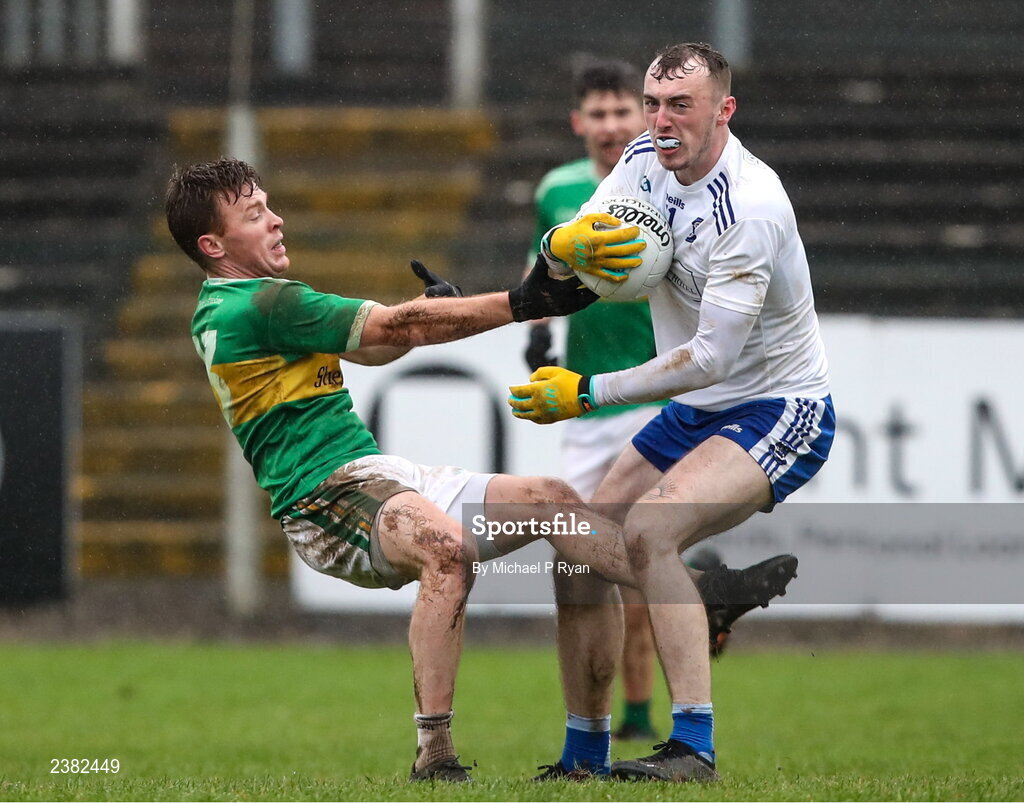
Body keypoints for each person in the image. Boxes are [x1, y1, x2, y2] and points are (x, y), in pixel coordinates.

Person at [164, 157, 781, 783]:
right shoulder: (262, 303)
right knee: (448, 552)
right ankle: (434, 755)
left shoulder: (232, 304)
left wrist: (430, 313)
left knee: (552, 499)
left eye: (268, 206)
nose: (276, 220)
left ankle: (700, 597)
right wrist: (523, 302)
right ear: (213, 245)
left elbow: (376, 346)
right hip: (323, 498)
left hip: (372, 472)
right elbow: (393, 325)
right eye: (255, 215)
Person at [509, 42, 834, 782]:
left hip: (777, 408)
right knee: (575, 553)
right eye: (653, 103)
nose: (660, 120)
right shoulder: (640, 161)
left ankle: (693, 747)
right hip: (696, 409)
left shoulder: (752, 205)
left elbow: (712, 358)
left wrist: (586, 391)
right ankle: (584, 752)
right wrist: (560, 247)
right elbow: (576, 250)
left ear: (724, 110)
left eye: (680, 105)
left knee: (651, 530)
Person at [524, 58, 731, 745]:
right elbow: (541, 269)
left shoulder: (664, 181)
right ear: (579, 122)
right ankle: (602, 719)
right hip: (583, 400)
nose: (613, 124)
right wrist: (538, 329)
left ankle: (643, 714)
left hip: (648, 391)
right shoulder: (558, 190)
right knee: (579, 557)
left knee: (639, 539)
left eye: (624, 111)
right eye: (601, 113)